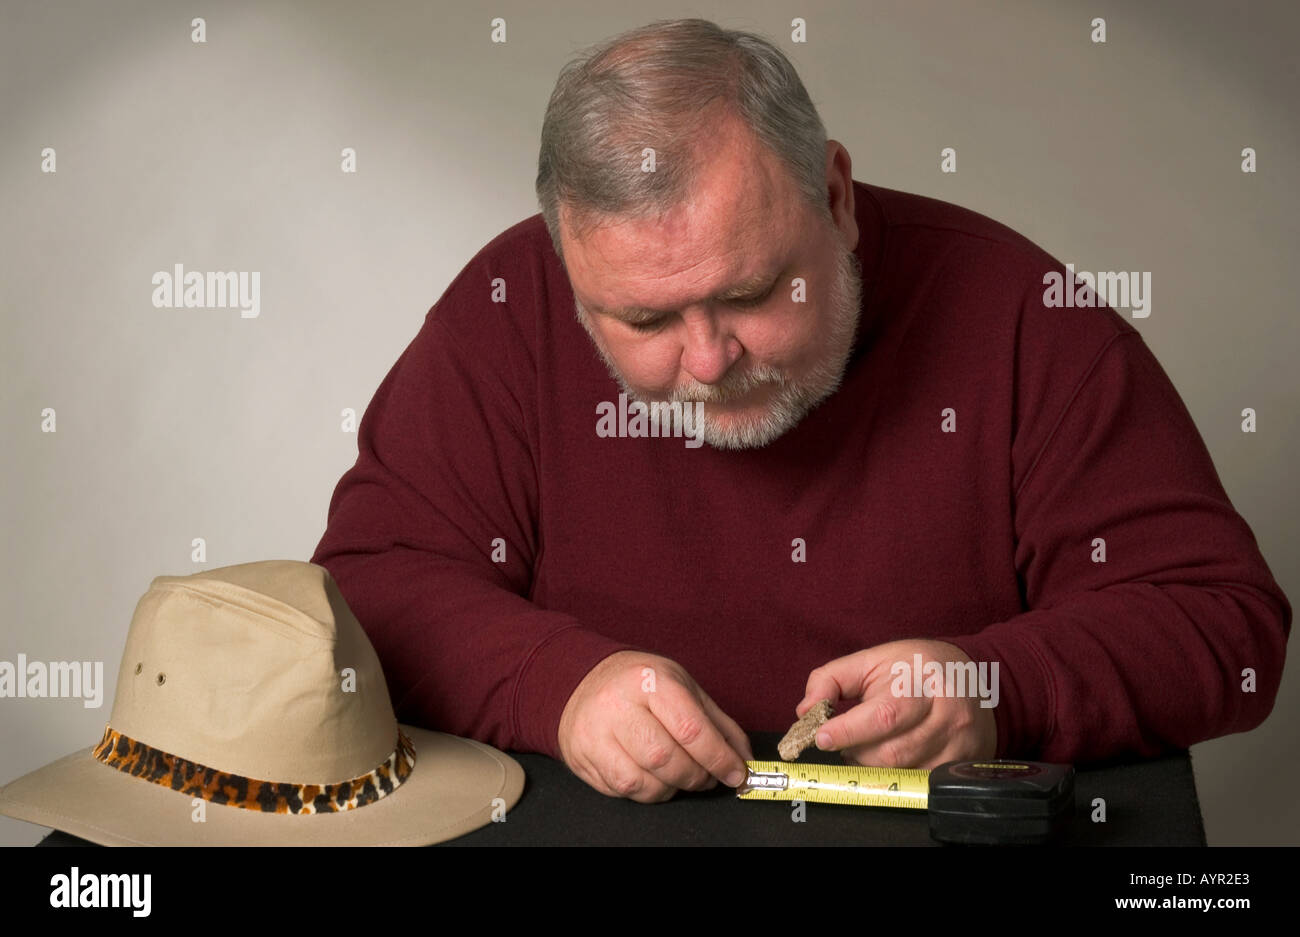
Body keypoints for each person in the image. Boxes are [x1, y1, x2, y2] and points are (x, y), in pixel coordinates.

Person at [310, 18, 1290, 804]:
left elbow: (1223, 624)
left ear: (835, 196)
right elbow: (367, 591)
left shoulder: (1026, 316)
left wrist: (995, 685)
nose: (706, 360)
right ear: (570, 270)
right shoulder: (507, 305)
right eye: (642, 318)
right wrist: (556, 684)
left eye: (749, 294)